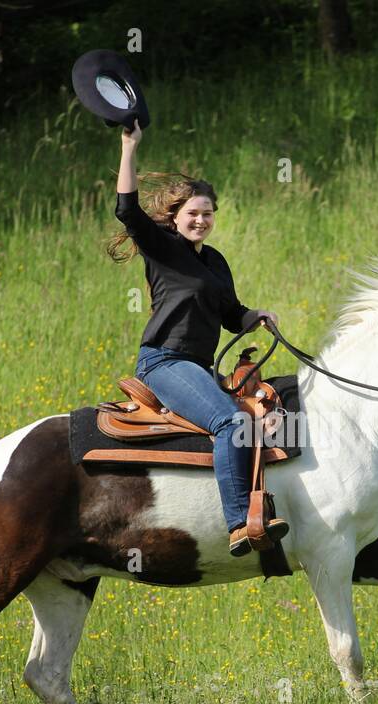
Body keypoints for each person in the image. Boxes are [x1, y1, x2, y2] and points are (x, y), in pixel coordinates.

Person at [107, 121, 290, 557]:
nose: (200, 220)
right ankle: (241, 523)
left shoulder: (215, 261)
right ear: (175, 217)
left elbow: (231, 313)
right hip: (164, 362)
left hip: (199, 367)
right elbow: (127, 209)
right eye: (192, 213)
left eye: (207, 214)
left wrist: (256, 316)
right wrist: (129, 146)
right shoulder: (163, 247)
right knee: (231, 422)